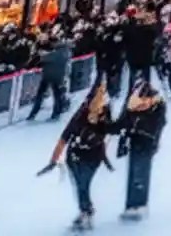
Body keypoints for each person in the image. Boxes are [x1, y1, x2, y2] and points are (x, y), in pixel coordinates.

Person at [39, 83, 113, 231]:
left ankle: (86, 210)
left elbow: (105, 137)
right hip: (74, 156)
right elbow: (64, 137)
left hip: (92, 157)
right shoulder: (79, 117)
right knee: (80, 184)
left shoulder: (105, 118)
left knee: (83, 183)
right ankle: (85, 210)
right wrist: (53, 160)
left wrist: (104, 157)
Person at [113, 80, 167, 221]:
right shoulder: (134, 103)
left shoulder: (155, 103)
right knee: (135, 171)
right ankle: (132, 205)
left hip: (145, 140)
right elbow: (123, 121)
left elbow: (160, 122)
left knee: (140, 172)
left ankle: (139, 205)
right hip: (136, 139)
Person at [27, 33, 72, 121]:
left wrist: (42, 55)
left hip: (52, 76)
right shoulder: (63, 51)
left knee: (54, 95)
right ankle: (53, 113)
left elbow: (44, 59)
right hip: (52, 75)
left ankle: (50, 113)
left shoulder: (59, 52)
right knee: (55, 95)